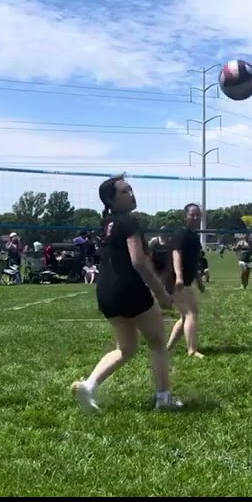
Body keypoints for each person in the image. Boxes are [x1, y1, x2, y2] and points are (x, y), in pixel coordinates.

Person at [71, 174, 182, 412]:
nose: (131, 193)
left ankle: (89, 386)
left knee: (126, 348)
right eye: (124, 191)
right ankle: (164, 399)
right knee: (158, 343)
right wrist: (161, 293)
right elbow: (139, 262)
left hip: (106, 293)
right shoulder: (128, 221)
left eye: (131, 189)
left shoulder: (108, 223)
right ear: (111, 200)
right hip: (129, 289)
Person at [167, 203, 207, 358]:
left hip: (186, 280)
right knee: (191, 313)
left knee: (185, 315)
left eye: (198, 215)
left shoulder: (194, 236)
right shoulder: (180, 234)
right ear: (186, 216)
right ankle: (192, 350)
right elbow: (176, 254)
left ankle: (168, 347)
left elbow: (194, 261)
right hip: (177, 280)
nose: (195, 218)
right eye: (192, 215)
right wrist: (178, 276)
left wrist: (199, 280)